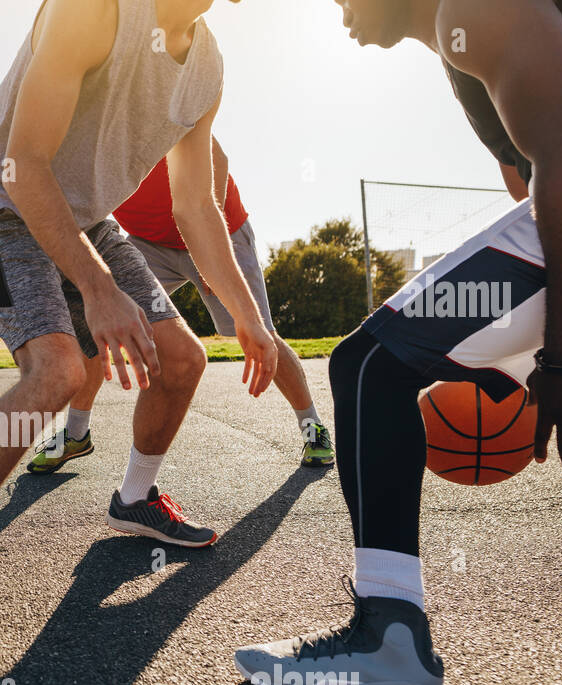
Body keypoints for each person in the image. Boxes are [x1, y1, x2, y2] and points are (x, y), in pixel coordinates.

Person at [235, 0, 562, 685]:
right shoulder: (463, 43)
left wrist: (561, 358)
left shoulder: (472, 8)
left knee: (371, 363)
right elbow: (531, 183)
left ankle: (389, 644)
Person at [0, 0, 277, 658]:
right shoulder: (93, 11)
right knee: (58, 372)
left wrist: (248, 314)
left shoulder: (205, 64)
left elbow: (195, 203)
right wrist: (97, 291)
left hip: (88, 219)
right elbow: (23, 164)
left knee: (182, 360)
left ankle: (135, 499)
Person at [27, 136, 333, 475]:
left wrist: (209, 249)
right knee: (100, 317)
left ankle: (313, 428)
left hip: (217, 228)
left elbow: (216, 157)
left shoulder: (157, 96)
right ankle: (76, 433)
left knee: (259, 333)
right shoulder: (81, 126)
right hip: (149, 243)